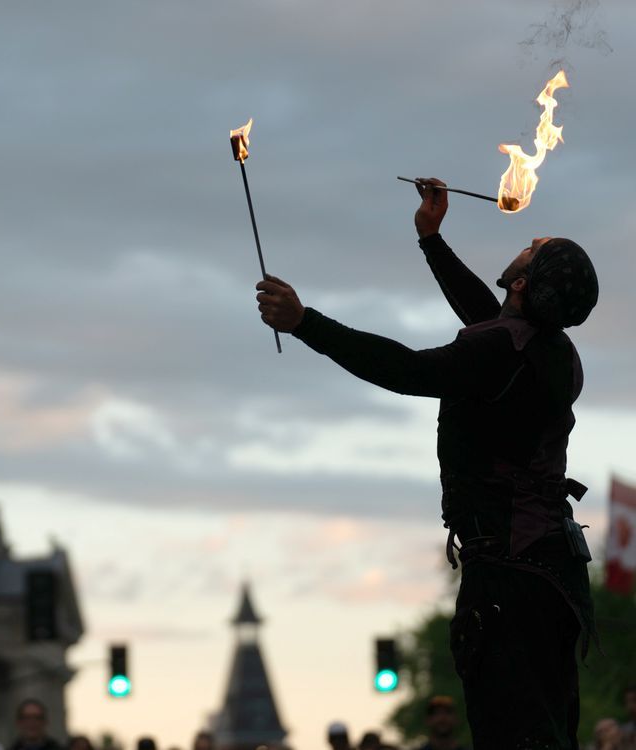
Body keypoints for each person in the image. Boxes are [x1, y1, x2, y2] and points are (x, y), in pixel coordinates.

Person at [256, 179, 599, 750]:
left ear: (521, 283)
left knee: (515, 735)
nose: (530, 237)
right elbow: (492, 321)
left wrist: (304, 323)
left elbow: (408, 370)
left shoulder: (499, 353)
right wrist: (431, 240)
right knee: (545, 729)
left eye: (535, 246)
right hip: (551, 576)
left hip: (509, 578)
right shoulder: (556, 353)